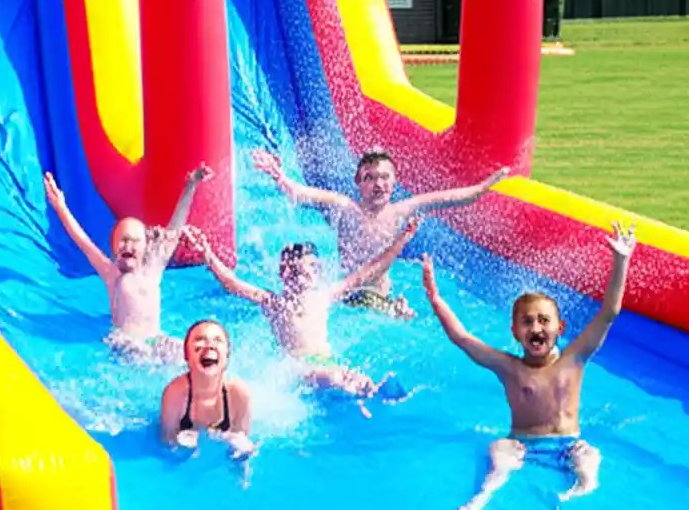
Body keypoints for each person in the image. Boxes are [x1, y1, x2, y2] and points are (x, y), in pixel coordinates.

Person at [422, 222, 637, 508]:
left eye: (544, 321)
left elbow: (609, 312)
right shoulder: (509, 367)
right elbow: (461, 338)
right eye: (527, 321)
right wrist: (436, 300)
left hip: (567, 445)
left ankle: (581, 490)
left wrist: (621, 260)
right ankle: (482, 498)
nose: (536, 327)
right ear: (514, 331)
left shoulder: (574, 358)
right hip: (523, 445)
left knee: (589, 457)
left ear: (560, 328)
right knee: (499, 450)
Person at [182, 218, 420, 417]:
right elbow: (232, 284)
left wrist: (402, 239)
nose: (305, 275)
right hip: (295, 368)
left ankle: (373, 396)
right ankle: (359, 396)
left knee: (356, 378)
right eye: (296, 271)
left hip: (325, 361)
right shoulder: (274, 302)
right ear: (283, 274)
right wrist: (208, 255)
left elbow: (369, 271)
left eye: (312, 269)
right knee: (336, 377)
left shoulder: (324, 296)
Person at [251, 147, 508, 319]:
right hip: (348, 298)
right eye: (370, 178)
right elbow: (301, 193)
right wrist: (280, 177)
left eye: (385, 177)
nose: (379, 184)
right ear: (358, 182)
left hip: (382, 297)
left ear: (395, 181)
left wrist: (483, 188)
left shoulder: (400, 211)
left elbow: (447, 199)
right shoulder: (345, 208)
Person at [44, 164, 213, 363]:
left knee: (186, 351)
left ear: (146, 247)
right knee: (137, 352)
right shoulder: (112, 275)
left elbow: (174, 230)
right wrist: (61, 207)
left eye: (135, 241)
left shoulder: (154, 270)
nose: (129, 245)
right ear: (114, 249)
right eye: (123, 240)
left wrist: (190, 186)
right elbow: (83, 241)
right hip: (125, 341)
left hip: (154, 338)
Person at [160, 319, 257, 460]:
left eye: (218, 340)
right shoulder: (175, 394)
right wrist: (179, 446)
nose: (210, 346)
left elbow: (241, 446)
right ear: (186, 355)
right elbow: (166, 442)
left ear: (227, 354)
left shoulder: (239, 395)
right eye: (200, 340)